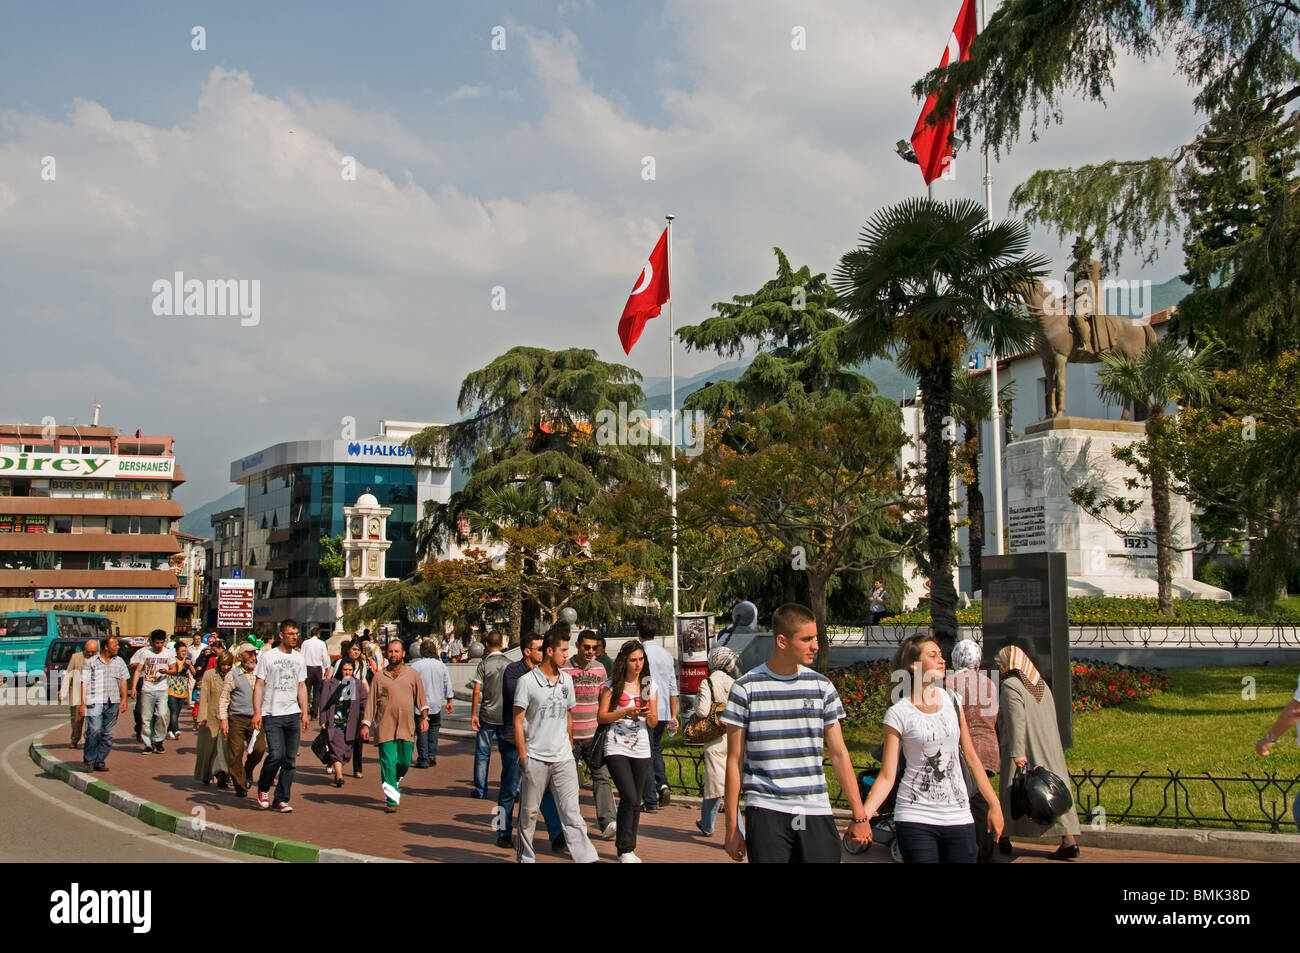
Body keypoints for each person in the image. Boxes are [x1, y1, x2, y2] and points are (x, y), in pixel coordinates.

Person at [722, 603, 870, 863]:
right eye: (807, 639)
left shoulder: (822, 687)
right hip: (767, 809)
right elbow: (734, 760)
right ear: (782, 641)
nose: (816, 645)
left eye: (815, 638)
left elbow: (839, 754)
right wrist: (732, 827)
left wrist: (859, 815)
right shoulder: (745, 689)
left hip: (815, 808)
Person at [859, 633, 1004, 863]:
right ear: (913, 666)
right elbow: (887, 775)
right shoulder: (898, 713)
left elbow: (971, 757)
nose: (942, 660)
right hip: (915, 817)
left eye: (941, 655)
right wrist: (862, 818)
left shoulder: (952, 700)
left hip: (959, 816)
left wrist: (994, 804)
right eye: (933, 655)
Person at [512, 625, 599, 864]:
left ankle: (587, 857)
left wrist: (569, 745)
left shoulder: (566, 682)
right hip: (536, 757)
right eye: (562, 650)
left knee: (572, 811)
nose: (566, 655)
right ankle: (526, 857)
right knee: (529, 814)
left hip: (563, 758)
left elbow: (569, 715)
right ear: (549, 651)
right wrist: (523, 756)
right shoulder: (526, 682)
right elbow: (518, 720)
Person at [994, 645, 1079, 860]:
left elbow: (1016, 721)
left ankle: (1003, 837)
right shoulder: (1039, 684)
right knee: (1055, 792)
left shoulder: (1011, 686)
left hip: (1025, 748)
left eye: (1001, 664)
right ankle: (1069, 841)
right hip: (1049, 748)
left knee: (1012, 791)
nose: (1000, 668)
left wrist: (1016, 752)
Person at [501, 633, 565, 851]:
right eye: (538, 648)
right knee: (509, 789)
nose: (543, 651)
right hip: (513, 740)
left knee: (544, 789)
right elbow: (518, 700)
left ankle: (556, 833)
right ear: (527, 651)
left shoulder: (552, 675)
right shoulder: (514, 673)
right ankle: (502, 830)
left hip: (539, 741)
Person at [598, 640, 658, 862]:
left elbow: (652, 722)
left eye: (641, 659)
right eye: (633, 660)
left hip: (641, 748)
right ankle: (624, 849)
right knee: (629, 796)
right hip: (615, 746)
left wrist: (649, 715)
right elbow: (602, 716)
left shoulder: (647, 684)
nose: (638, 664)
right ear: (624, 661)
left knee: (635, 800)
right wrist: (624, 713)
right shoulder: (613, 685)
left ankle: (629, 847)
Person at [362, 639, 429, 813]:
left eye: (396, 651)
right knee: (388, 762)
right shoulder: (379, 676)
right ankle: (392, 800)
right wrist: (366, 724)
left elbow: (421, 698)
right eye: (390, 652)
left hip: (406, 727)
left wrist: (424, 718)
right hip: (384, 726)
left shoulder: (412, 675)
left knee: (404, 762)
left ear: (403, 653)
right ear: (386, 654)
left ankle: (392, 781)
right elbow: (371, 703)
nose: (393, 655)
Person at [949, 639, 1000, 862]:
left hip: (964, 750)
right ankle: (986, 846)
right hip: (988, 746)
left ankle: (980, 849)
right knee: (981, 796)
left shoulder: (950, 683)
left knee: (972, 801)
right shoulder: (989, 683)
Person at [252, 619, 310, 812]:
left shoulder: (299, 658)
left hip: (292, 713)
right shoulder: (268, 657)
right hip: (272, 713)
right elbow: (259, 685)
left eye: (296, 634)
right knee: (276, 755)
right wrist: (257, 712)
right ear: (281, 636)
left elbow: (301, 686)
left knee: (290, 760)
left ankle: (281, 799)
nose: (294, 637)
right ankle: (263, 786)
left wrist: (305, 712)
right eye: (291, 634)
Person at [566, 629, 617, 840]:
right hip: (569, 735)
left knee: (601, 776)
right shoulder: (565, 668)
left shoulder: (599, 669)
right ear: (577, 645)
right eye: (586, 647)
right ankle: (568, 827)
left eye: (594, 648)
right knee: (568, 784)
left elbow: (604, 698)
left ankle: (608, 822)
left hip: (593, 735)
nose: (590, 652)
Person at [694, 645, 739, 837]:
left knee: (714, 786)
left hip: (715, 739)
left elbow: (702, 711)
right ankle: (716, 825)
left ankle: (711, 825)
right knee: (731, 786)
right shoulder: (735, 683)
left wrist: (698, 702)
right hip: (734, 739)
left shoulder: (708, 683)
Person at [636, 615, 678, 812]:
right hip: (663, 709)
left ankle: (650, 797)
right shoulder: (666, 655)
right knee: (655, 748)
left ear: (638, 633)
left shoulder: (638, 654)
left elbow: (644, 682)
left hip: (646, 709)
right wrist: (673, 713)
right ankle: (663, 784)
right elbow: (672, 686)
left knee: (646, 751)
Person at [219, 642, 268, 798]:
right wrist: (224, 719)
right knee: (235, 753)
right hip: (237, 718)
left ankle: (248, 770)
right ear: (241, 657)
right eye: (249, 654)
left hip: (257, 717)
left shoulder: (261, 673)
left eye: (254, 654)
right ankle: (239, 785)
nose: (253, 657)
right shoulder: (232, 675)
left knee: (259, 749)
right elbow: (224, 698)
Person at [470, 629, 511, 802]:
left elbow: (477, 690)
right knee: (508, 754)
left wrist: (473, 713)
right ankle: (511, 787)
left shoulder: (483, 665)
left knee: (482, 753)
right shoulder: (510, 663)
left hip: (487, 714)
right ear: (502, 644)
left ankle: (480, 789)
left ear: (486, 644)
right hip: (506, 714)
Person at [80, 636, 128, 772]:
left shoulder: (119, 662)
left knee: (107, 734)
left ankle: (99, 761)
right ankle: (89, 760)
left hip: (113, 702)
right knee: (94, 730)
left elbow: (123, 680)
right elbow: (84, 683)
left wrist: (124, 699)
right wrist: (82, 704)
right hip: (95, 701)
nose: (118, 647)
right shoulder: (91, 662)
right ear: (106, 647)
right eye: (115, 645)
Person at [319, 658, 368, 788]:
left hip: (350, 724)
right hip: (334, 722)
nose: (347, 672)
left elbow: (364, 702)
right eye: (345, 669)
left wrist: (366, 720)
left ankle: (338, 770)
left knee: (346, 750)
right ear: (340, 669)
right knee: (336, 748)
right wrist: (323, 720)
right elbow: (323, 702)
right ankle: (339, 775)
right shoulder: (331, 683)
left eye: (350, 670)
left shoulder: (356, 684)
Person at [409, 638, 454, 768]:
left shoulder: (416, 666)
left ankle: (423, 758)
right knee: (434, 727)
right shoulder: (441, 665)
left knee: (422, 730)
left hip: (420, 704)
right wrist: (449, 699)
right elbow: (447, 683)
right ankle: (432, 754)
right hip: (436, 702)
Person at [131, 630, 177, 755]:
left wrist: (166, 672)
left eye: (161, 643)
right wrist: (134, 687)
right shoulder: (145, 653)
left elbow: (174, 670)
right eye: (157, 643)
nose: (159, 645)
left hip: (162, 688)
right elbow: (138, 670)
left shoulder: (168, 653)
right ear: (152, 642)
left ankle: (158, 740)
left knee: (162, 715)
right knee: (146, 717)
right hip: (147, 688)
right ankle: (147, 744)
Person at [333, 639, 372, 777]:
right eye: (353, 649)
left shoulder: (362, 664)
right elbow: (334, 682)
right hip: (342, 703)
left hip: (356, 701)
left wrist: (369, 699)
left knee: (358, 736)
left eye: (358, 650)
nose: (355, 652)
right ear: (348, 649)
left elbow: (363, 681)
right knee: (338, 733)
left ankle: (357, 768)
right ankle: (336, 761)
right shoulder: (340, 662)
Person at [194, 651, 232, 787]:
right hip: (210, 715)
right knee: (208, 748)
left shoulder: (233, 675)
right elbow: (204, 696)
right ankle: (205, 774)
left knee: (225, 748)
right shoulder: (210, 674)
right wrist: (202, 716)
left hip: (227, 717)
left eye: (228, 665)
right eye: (223, 664)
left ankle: (223, 775)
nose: (226, 667)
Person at [60, 639, 95, 749]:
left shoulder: (99, 658)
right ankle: (74, 738)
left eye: (93, 652)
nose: (90, 654)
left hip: (94, 693)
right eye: (88, 651)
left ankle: (89, 740)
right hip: (77, 693)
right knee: (76, 719)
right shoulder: (76, 657)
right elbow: (68, 675)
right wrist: (63, 691)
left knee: (93, 719)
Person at [301, 626, 331, 720]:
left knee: (306, 690)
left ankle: (304, 711)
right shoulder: (321, 643)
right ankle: (314, 713)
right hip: (317, 669)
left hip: (307, 669)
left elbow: (301, 656)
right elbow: (325, 657)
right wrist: (326, 669)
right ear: (318, 634)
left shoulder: (305, 643)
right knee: (317, 692)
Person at [167, 642, 195, 739]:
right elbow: (172, 671)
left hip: (182, 690)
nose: (184, 653)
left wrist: (190, 665)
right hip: (172, 688)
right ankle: (176, 730)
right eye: (182, 651)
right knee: (173, 710)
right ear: (177, 651)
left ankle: (170, 729)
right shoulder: (172, 660)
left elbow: (194, 673)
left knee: (177, 712)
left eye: (185, 651)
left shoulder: (187, 661)